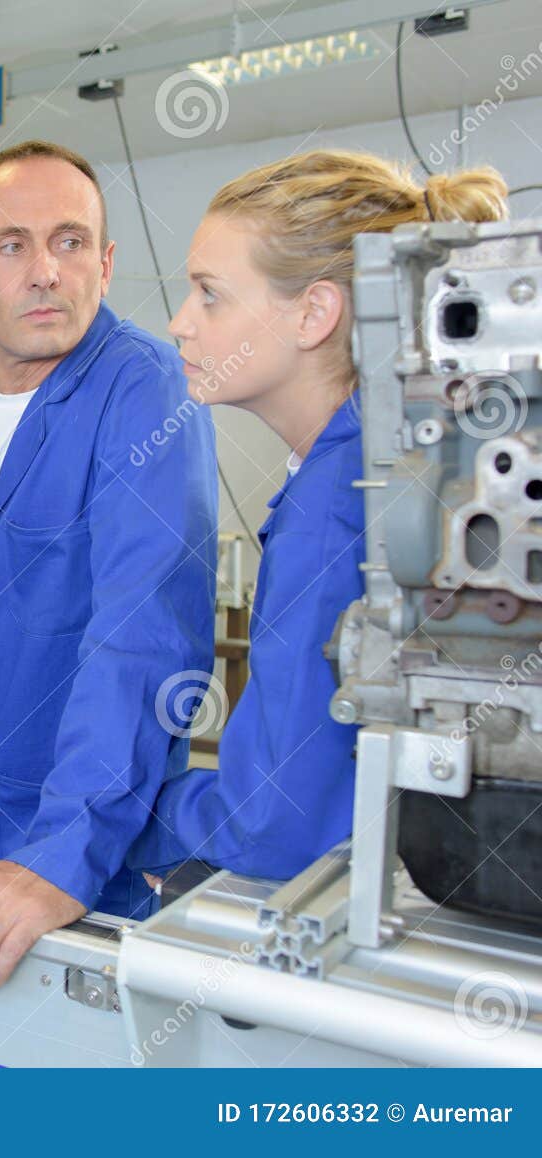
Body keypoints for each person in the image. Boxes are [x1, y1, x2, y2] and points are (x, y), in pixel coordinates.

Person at [0, 140, 219, 999]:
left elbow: (145, 636)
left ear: (104, 264)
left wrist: (63, 859)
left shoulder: (145, 391)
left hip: (90, 829)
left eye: (70, 243)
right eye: (11, 245)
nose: (44, 273)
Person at [129, 149, 508, 881]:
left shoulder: (337, 509)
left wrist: (125, 817)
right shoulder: (395, 460)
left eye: (210, 294)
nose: (180, 323)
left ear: (314, 313)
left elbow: (276, 825)